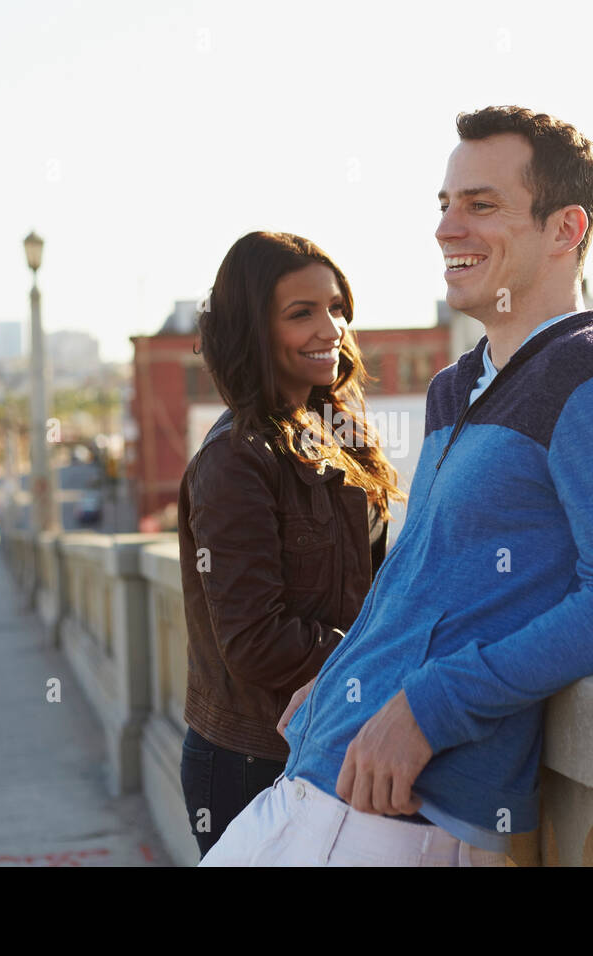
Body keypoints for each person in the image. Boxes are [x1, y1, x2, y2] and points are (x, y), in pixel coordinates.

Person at [201, 106, 593, 867]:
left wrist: (432, 706)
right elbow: (424, 580)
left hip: (391, 816)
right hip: (316, 779)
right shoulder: (453, 387)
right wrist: (343, 671)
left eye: (482, 204)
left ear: (565, 230)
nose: (446, 229)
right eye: (445, 204)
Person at [178, 231, 406, 859]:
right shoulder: (234, 460)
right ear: (254, 330)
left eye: (335, 308)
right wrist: (381, 663)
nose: (329, 327)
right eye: (301, 313)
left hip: (333, 737)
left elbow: (377, 586)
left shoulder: (336, 431)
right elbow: (256, 640)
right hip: (255, 761)